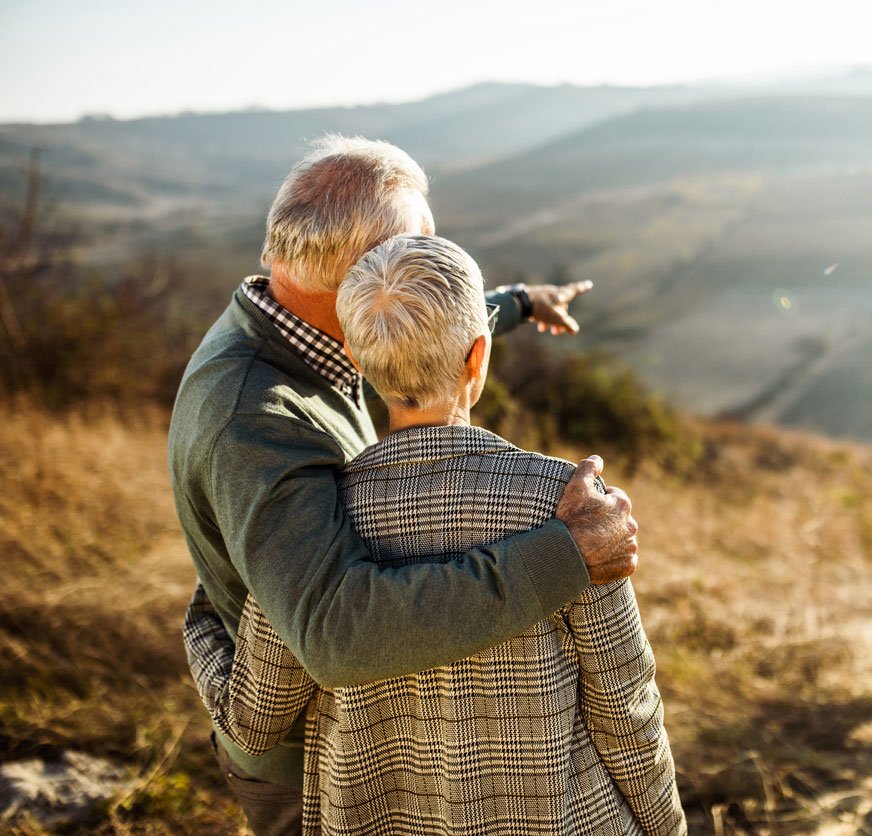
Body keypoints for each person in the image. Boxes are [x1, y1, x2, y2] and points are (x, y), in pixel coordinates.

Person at [170, 135, 639, 834]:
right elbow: (335, 635)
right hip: (312, 765)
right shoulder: (255, 420)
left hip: (364, 731)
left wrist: (515, 303)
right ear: (363, 277)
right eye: (419, 251)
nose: (429, 263)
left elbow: (414, 330)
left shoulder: (300, 324)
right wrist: (564, 556)